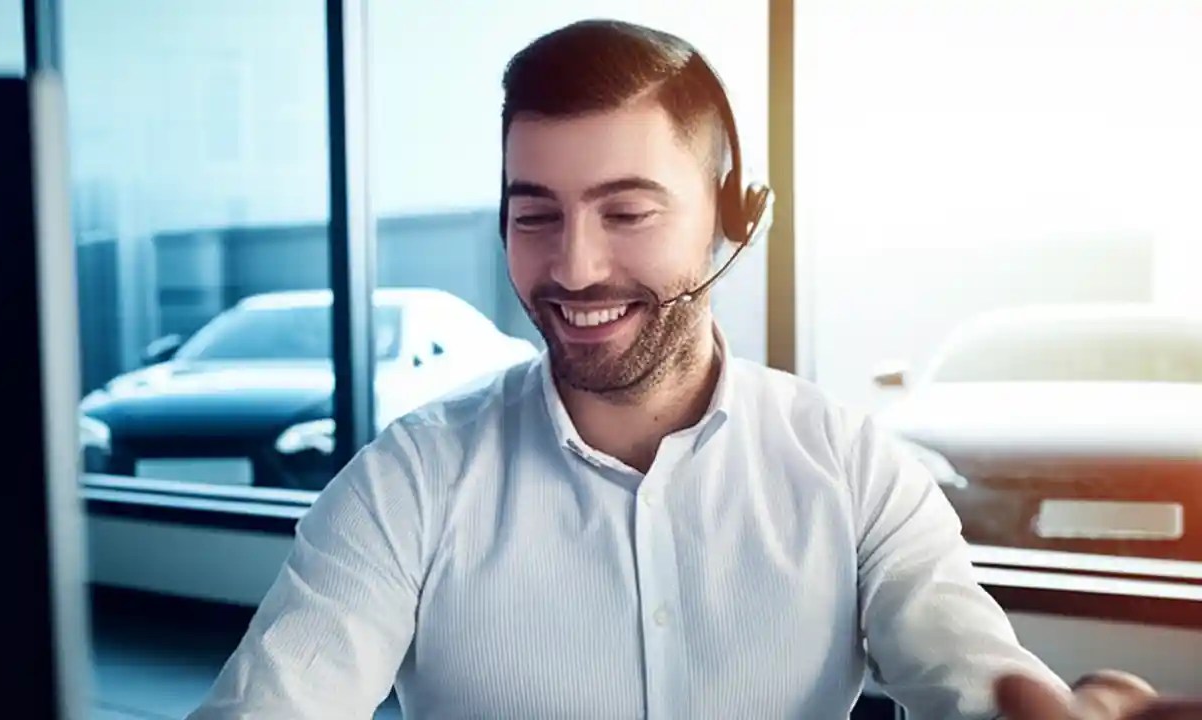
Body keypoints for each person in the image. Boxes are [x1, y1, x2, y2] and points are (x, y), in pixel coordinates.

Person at [188, 19, 1200, 720]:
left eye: (626, 212)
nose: (573, 266)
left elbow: (973, 679)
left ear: (732, 218)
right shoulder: (409, 483)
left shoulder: (849, 470)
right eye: (534, 214)